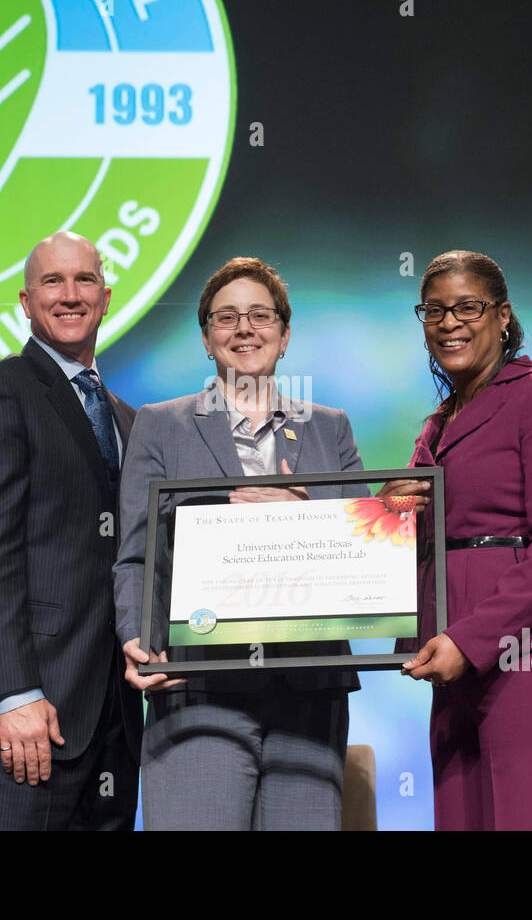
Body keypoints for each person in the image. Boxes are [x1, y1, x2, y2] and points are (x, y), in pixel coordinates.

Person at [114, 256, 366, 830]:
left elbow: (364, 545)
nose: (244, 328)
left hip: (309, 688)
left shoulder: (331, 426)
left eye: (260, 315)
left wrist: (305, 515)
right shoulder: (161, 424)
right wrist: (136, 636)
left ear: (284, 333)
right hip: (197, 681)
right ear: (206, 338)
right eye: (226, 318)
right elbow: (135, 550)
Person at [0, 230, 142, 830]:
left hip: (113, 717)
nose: (70, 294)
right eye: (53, 281)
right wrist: (14, 694)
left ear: (106, 297)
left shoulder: (125, 417)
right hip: (23, 716)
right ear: (26, 303)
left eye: (85, 280)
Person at [394, 250, 532, 830]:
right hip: (453, 671)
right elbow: (411, 541)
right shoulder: (436, 426)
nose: (449, 322)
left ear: (503, 316)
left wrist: (472, 640)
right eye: (434, 310)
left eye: (468, 307)